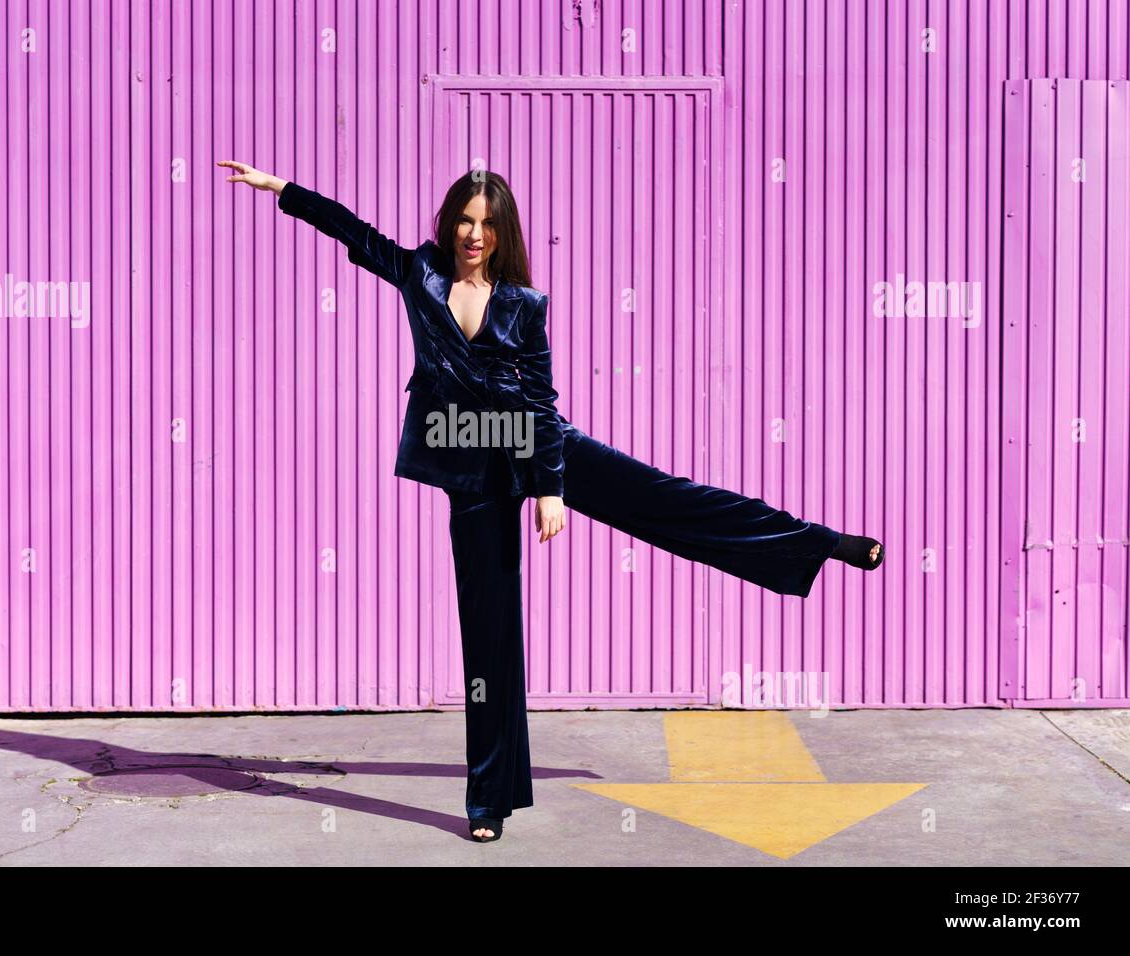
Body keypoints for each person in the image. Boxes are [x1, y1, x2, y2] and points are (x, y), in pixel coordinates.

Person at [218, 160, 884, 842]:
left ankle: (814, 543)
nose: (473, 234)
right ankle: (490, 799)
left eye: (486, 224)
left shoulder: (523, 305)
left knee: (666, 500)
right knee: (490, 631)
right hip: (467, 465)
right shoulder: (419, 273)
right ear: (450, 224)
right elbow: (353, 234)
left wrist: (549, 487)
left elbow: (540, 399)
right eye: (464, 220)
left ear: (502, 233)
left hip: (535, 446)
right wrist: (281, 190)